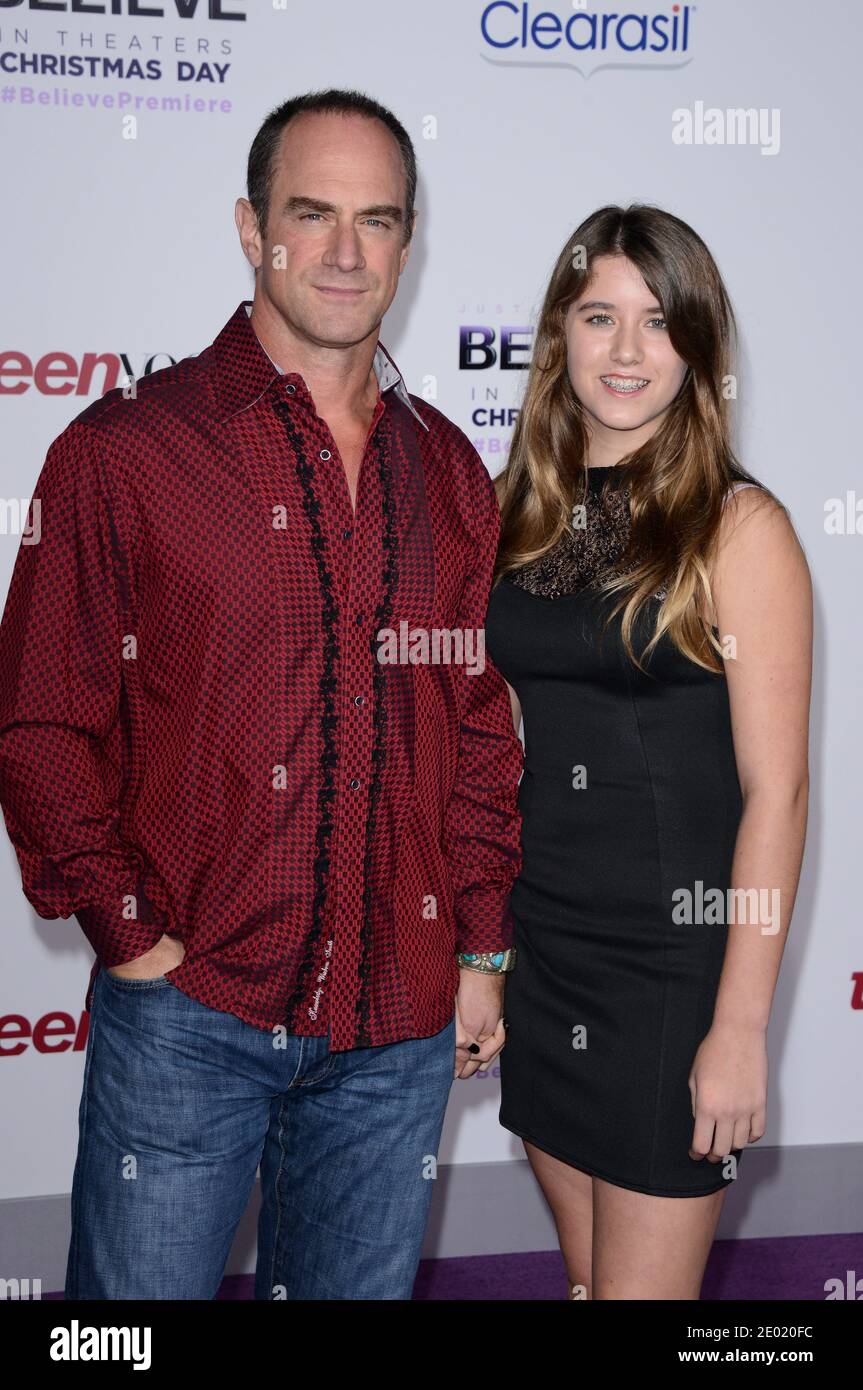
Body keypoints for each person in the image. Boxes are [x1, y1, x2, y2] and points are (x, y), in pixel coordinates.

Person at [0, 89, 522, 1301]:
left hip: (394, 1032)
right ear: (251, 229)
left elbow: (476, 732)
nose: (346, 252)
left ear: (408, 239)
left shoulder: (446, 468)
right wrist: (133, 937)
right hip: (190, 1019)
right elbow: (38, 719)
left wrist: (480, 947)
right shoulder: (123, 451)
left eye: (377, 220)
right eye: (312, 214)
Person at [485, 204, 812, 1300]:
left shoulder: (737, 528)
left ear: (698, 349)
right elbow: (486, 753)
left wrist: (737, 1026)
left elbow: (777, 795)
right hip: (546, 949)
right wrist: (484, 960)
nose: (626, 352)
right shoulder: (517, 514)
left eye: (659, 322)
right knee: (589, 1286)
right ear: (557, 335)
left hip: (673, 974)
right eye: (597, 317)